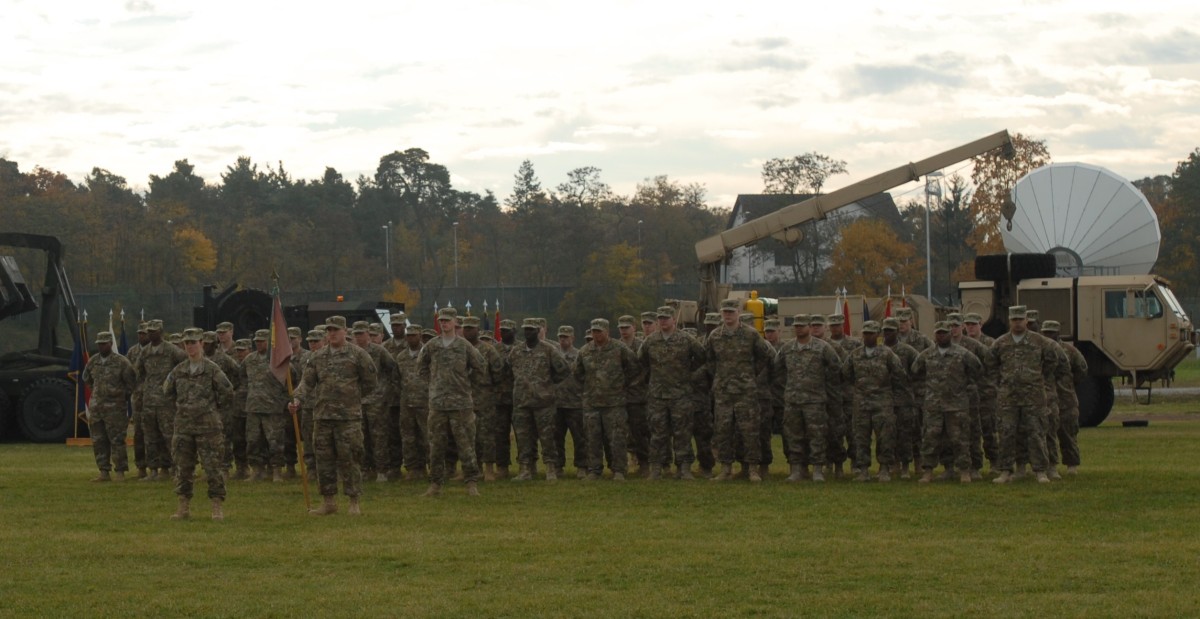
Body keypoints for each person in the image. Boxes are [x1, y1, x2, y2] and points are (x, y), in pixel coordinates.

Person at [290, 316, 377, 515]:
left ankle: (354, 502)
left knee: (351, 458)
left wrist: (352, 398)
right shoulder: (318, 356)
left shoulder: (358, 354)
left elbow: (371, 382)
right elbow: (307, 382)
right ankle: (328, 502)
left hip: (348, 418)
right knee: (324, 460)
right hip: (323, 417)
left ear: (345, 331)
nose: (332, 334)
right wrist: (297, 399)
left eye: (336, 330)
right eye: (329, 330)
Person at [163, 328, 234, 520]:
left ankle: (216, 507)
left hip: (208, 428)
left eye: (193, 342)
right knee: (183, 468)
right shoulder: (178, 370)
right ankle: (183, 507)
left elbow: (228, 391)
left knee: (212, 468)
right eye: (187, 343)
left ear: (201, 343)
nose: (190, 346)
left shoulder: (212, 369)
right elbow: (167, 392)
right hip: (184, 427)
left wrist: (213, 410)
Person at [417, 308, 487, 496]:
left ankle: (471, 483)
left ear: (455, 322)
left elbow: (480, 366)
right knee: (436, 446)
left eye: (447, 320)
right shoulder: (432, 345)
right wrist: (433, 383)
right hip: (438, 404)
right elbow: (421, 367)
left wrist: (465, 383)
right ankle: (435, 484)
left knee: (466, 445)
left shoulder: (464, 345)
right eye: (442, 320)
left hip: (461, 404)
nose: (444, 323)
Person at [704, 298, 773, 482]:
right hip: (723, 392)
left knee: (749, 431)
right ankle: (726, 469)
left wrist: (750, 374)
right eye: (725, 312)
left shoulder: (751, 334)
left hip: (745, 392)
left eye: (731, 312)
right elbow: (710, 361)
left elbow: (764, 355)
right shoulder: (715, 336)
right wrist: (720, 377)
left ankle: (752, 469)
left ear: (738, 313)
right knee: (723, 430)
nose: (728, 315)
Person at [991, 306, 1058, 484]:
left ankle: (1040, 471)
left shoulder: (1040, 341)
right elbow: (991, 365)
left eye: (1020, 319)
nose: (1018, 323)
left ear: (1026, 321)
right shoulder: (1000, 343)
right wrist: (1002, 382)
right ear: (1009, 321)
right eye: (1014, 320)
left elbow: (1052, 360)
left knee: (1036, 432)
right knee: (1006, 433)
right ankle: (1005, 471)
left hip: (1033, 396)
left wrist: (1038, 377)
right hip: (1008, 397)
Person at [638, 306, 706, 480]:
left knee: (682, 433)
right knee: (657, 434)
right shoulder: (650, 341)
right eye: (660, 318)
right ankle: (656, 468)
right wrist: (651, 381)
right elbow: (641, 363)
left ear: (674, 320)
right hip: (657, 396)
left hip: (680, 395)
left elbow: (703, 358)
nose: (663, 321)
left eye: (666, 318)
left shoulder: (686, 339)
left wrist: (691, 376)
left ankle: (684, 468)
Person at [910, 322, 982, 483]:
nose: (941, 336)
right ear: (935, 335)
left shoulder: (963, 353)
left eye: (944, 333)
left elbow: (978, 369)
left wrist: (966, 387)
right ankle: (930, 471)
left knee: (960, 439)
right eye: (939, 333)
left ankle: (964, 471)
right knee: (931, 438)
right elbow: (915, 371)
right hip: (933, 405)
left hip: (957, 405)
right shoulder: (927, 354)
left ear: (950, 334)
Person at [772, 315, 841, 482]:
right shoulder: (787, 348)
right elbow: (777, 369)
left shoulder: (822, 347)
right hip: (793, 400)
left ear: (809, 327)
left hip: (815, 400)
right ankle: (797, 469)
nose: (798, 329)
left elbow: (836, 368)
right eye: (796, 326)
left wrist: (822, 384)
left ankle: (817, 470)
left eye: (802, 326)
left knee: (817, 435)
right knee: (793, 435)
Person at [574, 318, 640, 481]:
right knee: (592, 438)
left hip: (614, 403)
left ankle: (619, 470)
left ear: (607, 332)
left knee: (617, 438)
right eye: (594, 331)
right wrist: (589, 388)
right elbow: (577, 373)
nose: (596, 334)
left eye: (599, 331)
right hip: (591, 403)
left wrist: (622, 385)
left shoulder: (619, 348)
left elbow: (634, 368)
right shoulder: (584, 351)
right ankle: (594, 470)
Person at [841, 321, 907, 482]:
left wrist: (890, 393)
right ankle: (863, 470)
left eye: (871, 333)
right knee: (860, 437)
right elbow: (845, 374)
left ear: (878, 335)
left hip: (882, 403)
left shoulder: (887, 353)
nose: (868, 336)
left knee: (885, 437)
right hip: (861, 403)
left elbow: (900, 374)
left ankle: (884, 469)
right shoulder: (855, 354)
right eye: (865, 333)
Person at [508, 317, 570, 481]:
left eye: (531, 329)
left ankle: (551, 468)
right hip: (521, 403)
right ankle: (525, 469)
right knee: (523, 439)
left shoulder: (548, 350)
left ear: (538, 331)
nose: (528, 332)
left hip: (544, 403)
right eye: (526, 329)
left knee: (548, 438)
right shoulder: (516, 351)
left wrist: (547, 385)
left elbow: (564, 370)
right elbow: (509, 371)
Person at [133, 319, 187, 482]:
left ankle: (174, 468)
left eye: (154, 331)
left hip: (166, 402)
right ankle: (154, 470)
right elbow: (138, 371)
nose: (150, 334)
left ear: (161, 332)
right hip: (149, 401)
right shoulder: (145, 352)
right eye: (149, 331)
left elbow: (184, 366)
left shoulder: (172, 350)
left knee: (169, 436)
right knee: (150, 437)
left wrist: (175, 385)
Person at [82, 331, 137, 482]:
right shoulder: (93, 361)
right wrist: (98, 392)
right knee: (98, 441)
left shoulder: (122, 362)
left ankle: (120, 471)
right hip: (97, 409)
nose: (101, 346)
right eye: (99, 344)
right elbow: (86, 378)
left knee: (117, 440)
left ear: (111, 344)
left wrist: (119, 395)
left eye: (104, 344)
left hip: (115, 409)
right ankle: (104, 472)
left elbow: (131, 383)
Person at [241, 329, 292, 482]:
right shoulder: (249, 359)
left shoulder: (278, 359)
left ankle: (276, 471)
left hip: (273, 408)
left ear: (269, 342)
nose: (259, 343)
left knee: (275, 441)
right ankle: (257, 470)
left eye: (262, 341)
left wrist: (282, 399)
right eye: (257, 341)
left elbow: (292, 379)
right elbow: (242, 377)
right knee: (253, 440)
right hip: (253, 407)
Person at [352, 321, 400, 482]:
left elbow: (393, 368)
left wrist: (385, 389)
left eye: (361, 333)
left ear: (368, 334)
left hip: (377, 401)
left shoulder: (379, 351)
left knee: (379, 436)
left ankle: (382, 470)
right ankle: (366, 469)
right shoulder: (351, 351)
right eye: (356, 334)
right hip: (358, 400)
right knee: (361, 437)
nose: (359, 337)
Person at [1041, 320, 1087, 477]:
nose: (1049, 335)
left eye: (1051, 332)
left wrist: (1068, 384)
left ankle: (1072, 465)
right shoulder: (1040, 350)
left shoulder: (1070, 351)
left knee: (1068, 433)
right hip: (1047, 399)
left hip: (1066, 400)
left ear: (1058, 333)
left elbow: (1082, 370)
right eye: (1046, 333)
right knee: (1048, 434)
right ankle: (1050, 466)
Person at [464, 316, 505, 480]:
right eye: (465, 328)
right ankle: (475, 468)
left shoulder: (488, 350)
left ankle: (489, 469)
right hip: (464, 399)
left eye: (471, 328)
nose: (468, 331)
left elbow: (498, 374)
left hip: (485, 399)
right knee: (468, 436)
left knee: (487, 435)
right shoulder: (459, 348)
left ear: (478, 330)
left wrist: (492, 393)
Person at [881, 318, 920, 480]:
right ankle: (891, 464)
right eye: (885, 331)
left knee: (905, 434)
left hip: (904, 399)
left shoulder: (907, 350)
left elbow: (919, 368)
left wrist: (910, 384)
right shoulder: (879, 350)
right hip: (883, 400)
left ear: (897, 332)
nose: (887, 333)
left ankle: (905, 466)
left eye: (891, 330)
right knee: (887, 435)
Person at [394, 324, 430, 481]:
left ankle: (433, 467)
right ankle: (413, 468)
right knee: (408, 437)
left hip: (425, 401)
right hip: (406, 403)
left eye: (414, 335)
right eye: (408, 336)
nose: (411, 338)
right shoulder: (401, 356)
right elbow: (396, 379)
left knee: (427, 437)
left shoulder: (428, 353)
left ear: (420, 336)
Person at [202, 331, 241, 477]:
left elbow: (238, 373)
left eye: (208, 343)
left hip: (222, 406)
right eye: (203, 343)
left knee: (224, 437)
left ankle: (225, 468)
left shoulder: (224, 359)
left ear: (214, 344)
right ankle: (209, 468)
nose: (205, 346)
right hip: (205, 405)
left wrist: (230, 390)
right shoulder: (200, 359)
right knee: (206, 438)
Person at [553, 325, 588, 479]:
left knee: (580, 438)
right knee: (556, 437)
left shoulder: (580, 355)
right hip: (557, 403)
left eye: (566, 337)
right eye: (561, 337)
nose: (563, 340)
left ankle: (582, 466)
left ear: (572, 338)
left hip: (575, 403)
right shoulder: (553, 354)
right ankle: (557, 466)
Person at [125, 322, 150, 478]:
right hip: (138, 398)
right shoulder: (133, 352)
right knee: (139, 433)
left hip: (155, 397)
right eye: (140, 333)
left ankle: (162, 466)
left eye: (144, 333)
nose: (141, 336)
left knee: (156, 433)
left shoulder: (156, 350)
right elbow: (128, 373)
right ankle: (141, 467)